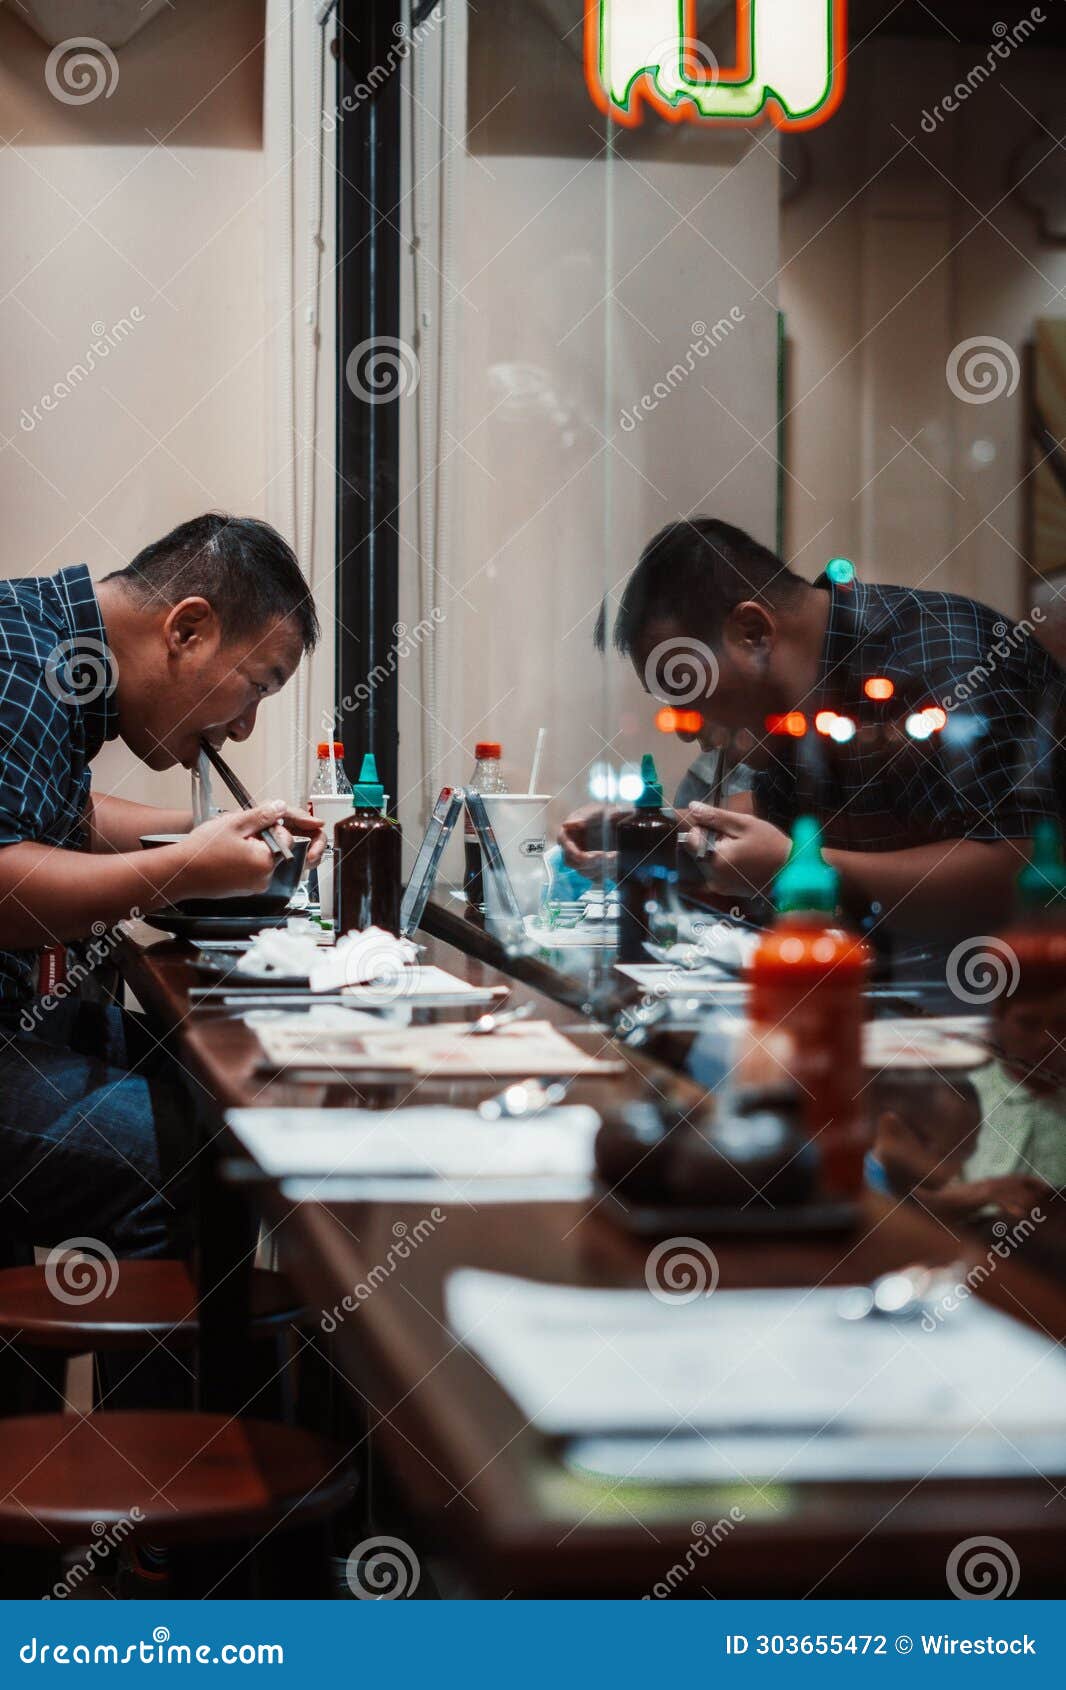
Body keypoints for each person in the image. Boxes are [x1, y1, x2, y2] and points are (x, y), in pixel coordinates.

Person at [0, 513, 325, 1268]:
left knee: (224, 1090)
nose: (243, 728)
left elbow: (59, 817)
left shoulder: (49, 642)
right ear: (187, 630)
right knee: (200, 1166)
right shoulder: (19, 663)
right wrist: (184, 867)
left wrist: (212, 830)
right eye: (254, 688)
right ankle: (196, 1391)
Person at [568, 519, 1064, 939]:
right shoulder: (801, 696)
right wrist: (658, 832)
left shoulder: (946, 659)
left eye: (687, 687)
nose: (685, 730)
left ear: (752, 632)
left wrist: (794, 870)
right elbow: (796, 820)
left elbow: (1016, 873)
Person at [865, 1070, 1047, 1223]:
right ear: (892, 1129)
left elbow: (920, 1207)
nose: (958, 1168)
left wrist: (991, 1190)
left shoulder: (895, 1184)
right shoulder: (866, 1198)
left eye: (966, 1154)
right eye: (948, 1155)